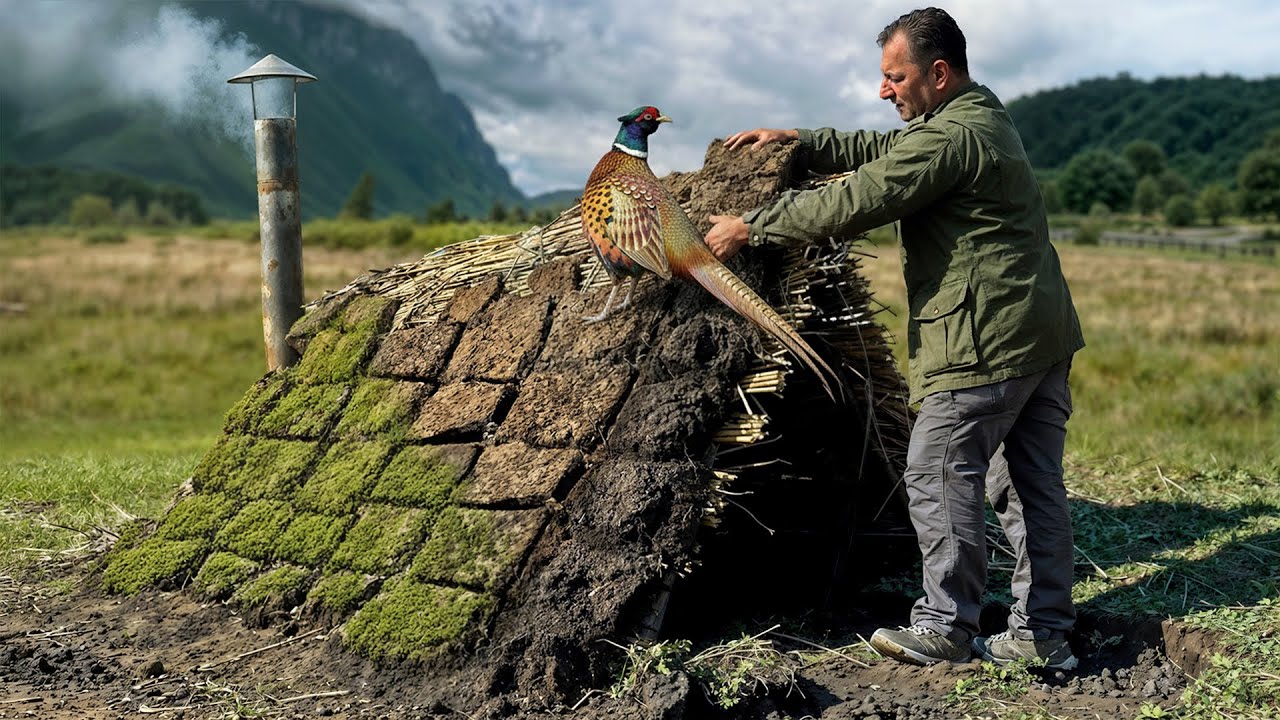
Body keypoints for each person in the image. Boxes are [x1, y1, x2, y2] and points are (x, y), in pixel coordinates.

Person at [704, 7, 1084, 670]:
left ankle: (944, 626)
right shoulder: (975, 115)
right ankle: (1043, 634)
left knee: (937, 473)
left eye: (895, 77)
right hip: (1039, 333)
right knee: (1031, 486)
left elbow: (861, 197)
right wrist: (803, 140)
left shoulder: (946, 140)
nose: (885, 90)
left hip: (984, 340)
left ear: (938, 73)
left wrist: (751, 228)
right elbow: (885, 151)